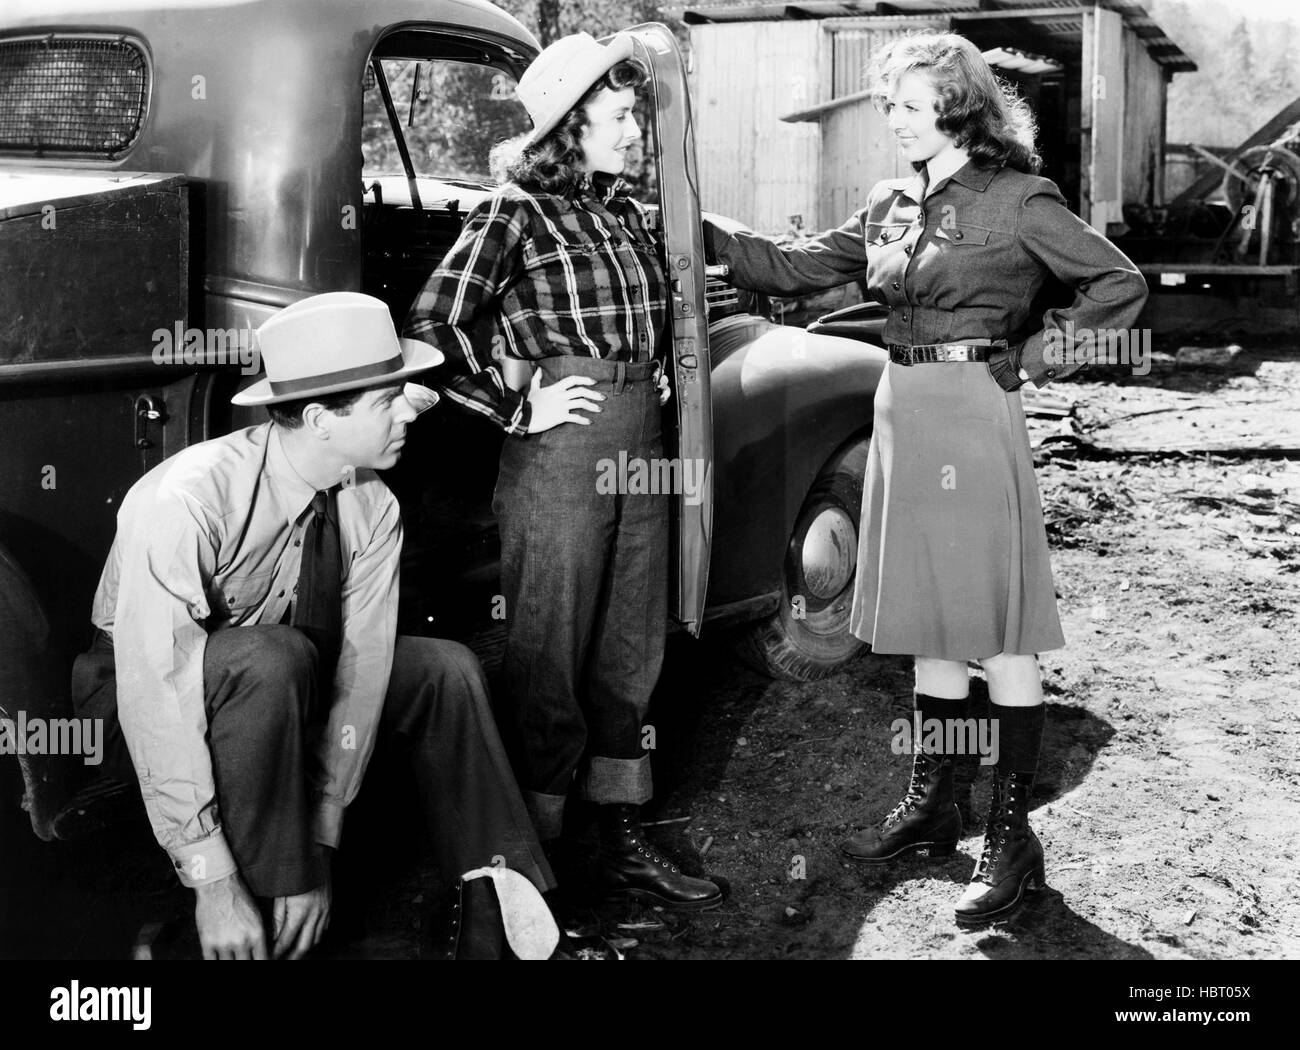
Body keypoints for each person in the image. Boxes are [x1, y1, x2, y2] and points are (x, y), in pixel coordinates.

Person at [704, 33, 1147, 926]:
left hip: (974, 412)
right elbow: (793, 268)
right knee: (928, 624)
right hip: (902, 408)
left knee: (999, 630)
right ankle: (935, 807)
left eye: (906, 104)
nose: (891, 119)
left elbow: (1118, 285)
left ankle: (1010, 836)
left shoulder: (1020, 198)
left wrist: (1029, 359)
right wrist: (693, 226)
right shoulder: (888, 200)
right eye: (889, 104)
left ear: (956, 105)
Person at [71, 292, 555, 959]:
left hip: (277, 675)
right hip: (133, 702)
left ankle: (492, 901)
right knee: (274, 657)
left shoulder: (372, 505)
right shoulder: (186, 499)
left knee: (444, 667)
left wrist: (323, 828)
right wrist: (214, 881)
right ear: (323, 419)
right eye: (389, 401)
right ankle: (246, 920)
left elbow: (363, 667)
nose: (407, 415)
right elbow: (157, 687)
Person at [403, 33, 721, 911]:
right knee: (549, 646)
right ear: (571, 125)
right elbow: (435, 326)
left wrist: (652, 371)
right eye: (620, 117)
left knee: (631, 641)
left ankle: (618, 831)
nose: (634, 132)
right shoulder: (514, 211)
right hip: (564, 446)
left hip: (641, 437)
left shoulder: (623, 213)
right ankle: (532, 858)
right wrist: (518, 408)